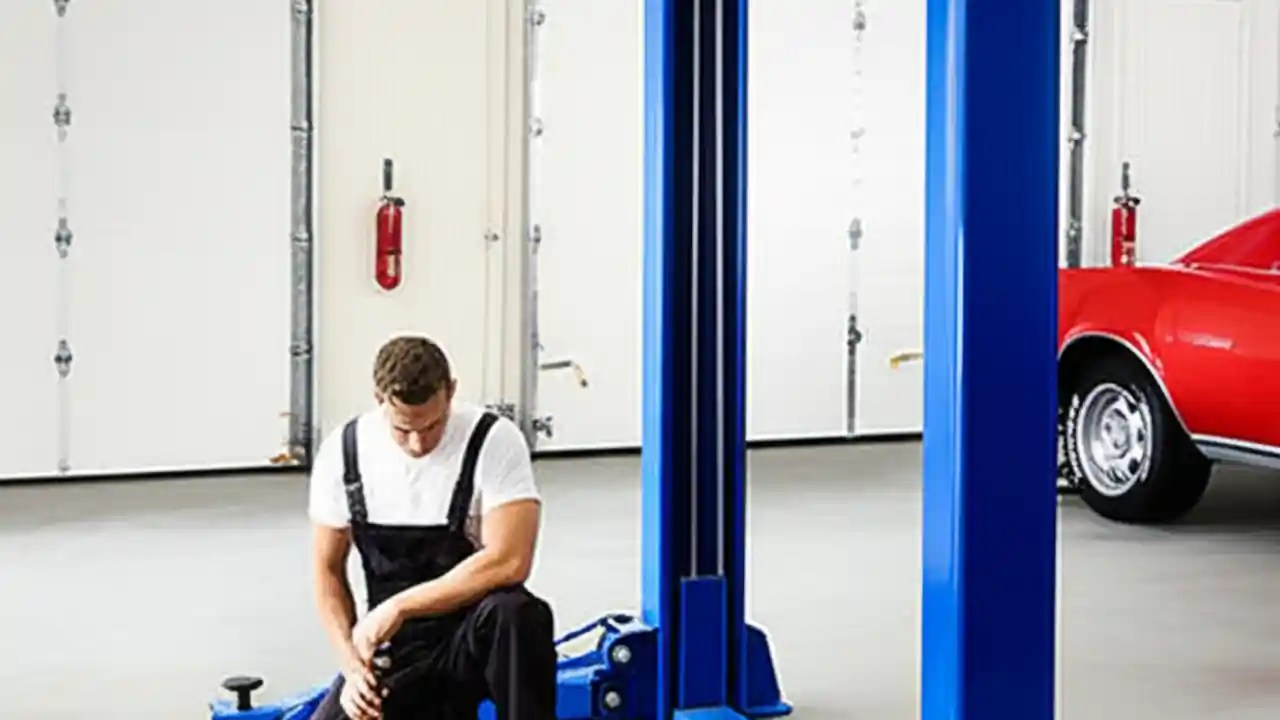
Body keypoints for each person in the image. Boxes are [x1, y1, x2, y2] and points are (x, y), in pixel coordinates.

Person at [307, 334, 556, 719]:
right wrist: (353, 668)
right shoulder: (343, 451)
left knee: (517, 614)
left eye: (432, 425)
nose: (418, 444)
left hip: (470, 643)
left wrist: (400, 607)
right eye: (402, 429)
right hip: (395, 650)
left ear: (451, 391)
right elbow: (327, 571)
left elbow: (510, 560)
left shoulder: (492, 440)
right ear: (379, 400)